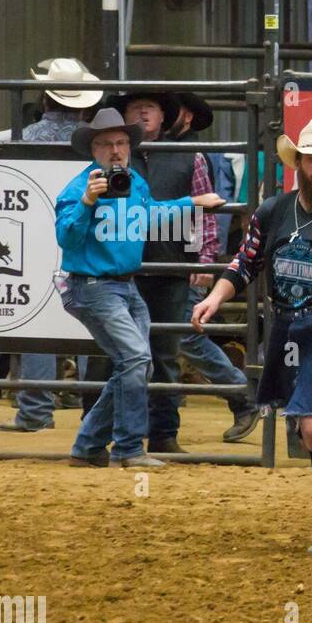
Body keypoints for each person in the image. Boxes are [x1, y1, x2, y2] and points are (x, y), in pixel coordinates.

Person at [192, 119, 312, 555]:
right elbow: (245, 264)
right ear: (298, 163)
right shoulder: (272, 211)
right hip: (289, 329)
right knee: (310, 421)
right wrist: (214, 298)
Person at [56, 107, 223, 468]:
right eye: (105, 144)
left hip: (124, 287)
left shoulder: (134, 184)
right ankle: (129, 448)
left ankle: (88, 446)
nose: (115, 150)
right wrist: (87, 202)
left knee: (135, 364)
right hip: (95, 287)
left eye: (120, 142)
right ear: (93, 150)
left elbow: (151, 216)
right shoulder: (77, 189)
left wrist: (192, 202)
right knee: (136, 360)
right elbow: (66, 238)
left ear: (129, 146)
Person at [0, 58, 104, 434]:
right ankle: (94, 413)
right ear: (86, 104)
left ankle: (35, 412)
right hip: (87, 236)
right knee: (92, 323)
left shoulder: (22, 137)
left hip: (35, 237)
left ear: (45, 100)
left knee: (37, 316)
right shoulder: (97, 145)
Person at [166, 91, 262, 443]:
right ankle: (163, 405)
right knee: (169, 333)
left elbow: (210, 210)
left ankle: (242, 394)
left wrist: (206, 256)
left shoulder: (191, 155)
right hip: (169, 255)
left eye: (170, 109)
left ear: (187, 117)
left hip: (186, 256)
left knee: (183, 333)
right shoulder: (164, 150)